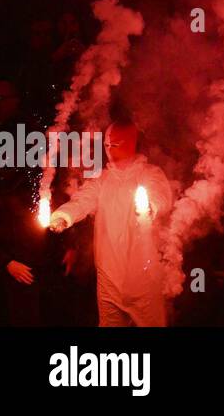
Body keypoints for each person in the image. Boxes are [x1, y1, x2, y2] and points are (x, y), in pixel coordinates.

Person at [49, 120, 173, 327]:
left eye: (114, 145)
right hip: (109, 278)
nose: (108, 150)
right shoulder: (102, 180)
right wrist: (64, 216)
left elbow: (160, 196)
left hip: (144, 279)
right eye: (106, 145)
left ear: (130, 144)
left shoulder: (150, 174)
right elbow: (82, 200)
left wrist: (151, 207)